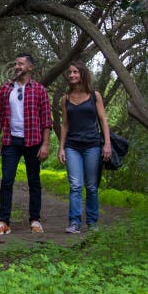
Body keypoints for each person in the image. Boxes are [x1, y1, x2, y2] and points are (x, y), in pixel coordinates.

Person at [0, 53, 53, 235]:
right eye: (15, 63)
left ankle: (35, 220)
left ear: (30, 67)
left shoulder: (39, 90)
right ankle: (3, 221)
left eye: (21, 64)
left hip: (34, 141)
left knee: (34, 181)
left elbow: (46, 121)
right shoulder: (5, 89)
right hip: (11, 141)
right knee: (7, 181)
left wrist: (46, 145)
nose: (17, 66)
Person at [57, 61, 111, 233]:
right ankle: (74, 222)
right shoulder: (65, 99)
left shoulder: (95, 96)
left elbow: (103, 120)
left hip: (92, 145)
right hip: (72, 146)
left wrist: (107, 144)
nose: (72, 75)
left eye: (75, 72)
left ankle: (92, 222)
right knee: (75, 185)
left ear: (82, 74)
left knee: (92, 186)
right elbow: (64, 125)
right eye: (70, 72)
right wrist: (61, 148)